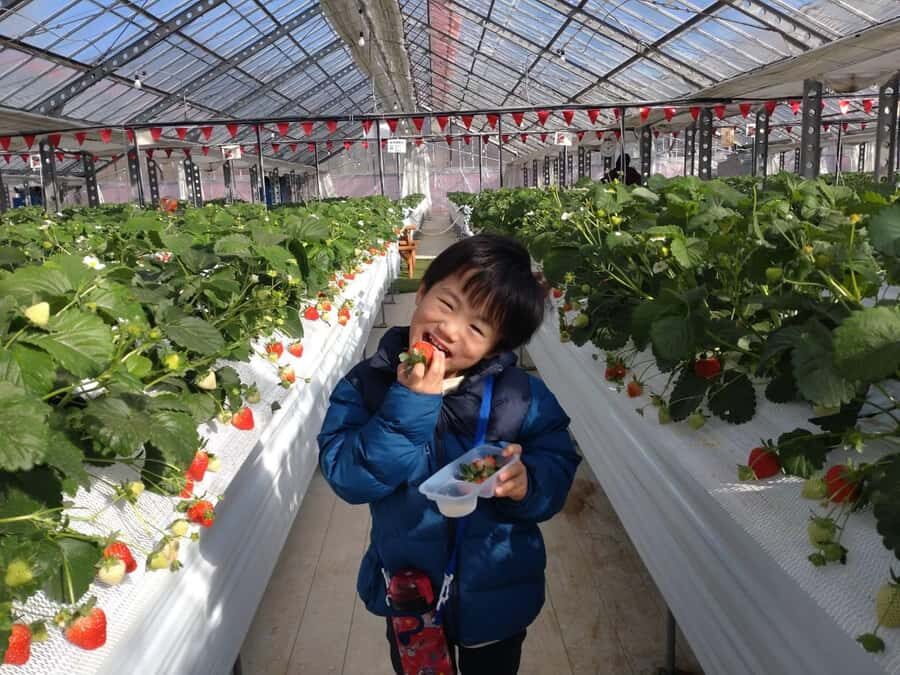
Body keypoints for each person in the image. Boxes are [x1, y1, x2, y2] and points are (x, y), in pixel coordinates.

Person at [317, 234, 581, 675]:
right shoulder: (369, 385)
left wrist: (529, 482)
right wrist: (409, 403)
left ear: (497, 347)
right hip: (410, 594)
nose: (451, 329)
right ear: (421, 292)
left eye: (477, 328)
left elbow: (558, 458)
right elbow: (347, 477)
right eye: (446, 303)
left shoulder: (520, 397)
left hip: (497, 593)